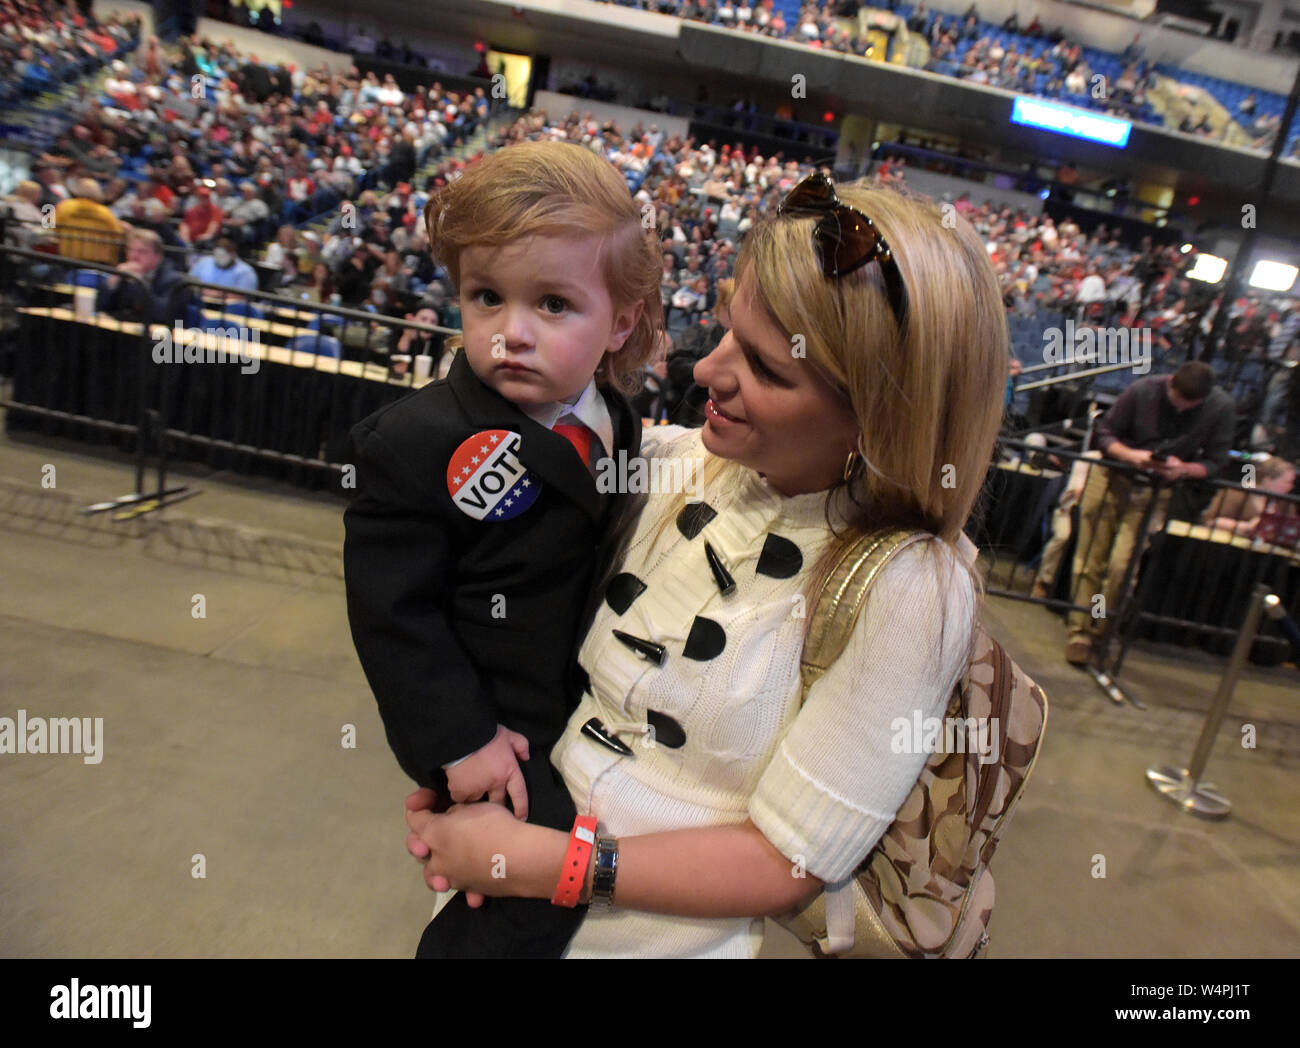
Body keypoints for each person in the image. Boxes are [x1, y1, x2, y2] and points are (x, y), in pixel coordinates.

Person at [402, 173, 1008, 958]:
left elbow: (789, 860)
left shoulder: (913, 590)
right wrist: (460, 754)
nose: (707, 372)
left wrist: (550, 864)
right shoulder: (660, 459)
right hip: (497, 918)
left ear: (880, 416)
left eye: (765, 367)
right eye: (725, 332)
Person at [343, 140, 662, 959]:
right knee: (526, 897)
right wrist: (457, 740)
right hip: (503, 736)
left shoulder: (622, 422)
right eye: (486, 297)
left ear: (621, 320)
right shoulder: (414, 442)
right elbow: (394, 615)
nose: (510, 333)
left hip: (598, 715)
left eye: (553, 305)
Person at [1065, 362, 1234, 665]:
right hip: (1111, 479)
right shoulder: (1143, 390)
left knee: (1122, 568)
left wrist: (1183, 468)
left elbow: (1217, 462)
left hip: (1155, 493)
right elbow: (1103, 433)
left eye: (1190, 406)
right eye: (1178, 401)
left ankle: (1103, 635)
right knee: (1090, 561)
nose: (1182, 410)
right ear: (1170, 382)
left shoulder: (1219, 409)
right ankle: (1080, 633)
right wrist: (1130, 455)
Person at [97, 227, 192, 324]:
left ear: (157, 256)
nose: (134, 255)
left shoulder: (174, 280)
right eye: (130, 249)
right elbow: (100, 306)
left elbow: (161, 315)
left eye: (142, 251)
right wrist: (114, 279)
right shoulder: (124, 272)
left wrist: (138, 282)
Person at [1203, 456, 1297, 536]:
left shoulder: (1285, 503)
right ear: (1267, 479)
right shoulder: (1238, 492)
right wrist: (1247, 527)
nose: (1291, 486)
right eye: (1288, 482)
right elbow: (1211, 521)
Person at [53, 178, 124, 265]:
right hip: (98, 261)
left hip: (68, 256)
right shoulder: (105, 212)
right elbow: (117, 235)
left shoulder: (65, 206)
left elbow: (50, 227)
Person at [188, 237, 259, 293]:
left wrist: (213, 294)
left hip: (230, 308)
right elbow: (190, 282)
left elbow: (243, 296)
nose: (218, 259)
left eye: (222, 256)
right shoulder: (203, 261)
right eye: (216, 256)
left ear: (233, 255)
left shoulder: (245, 271)